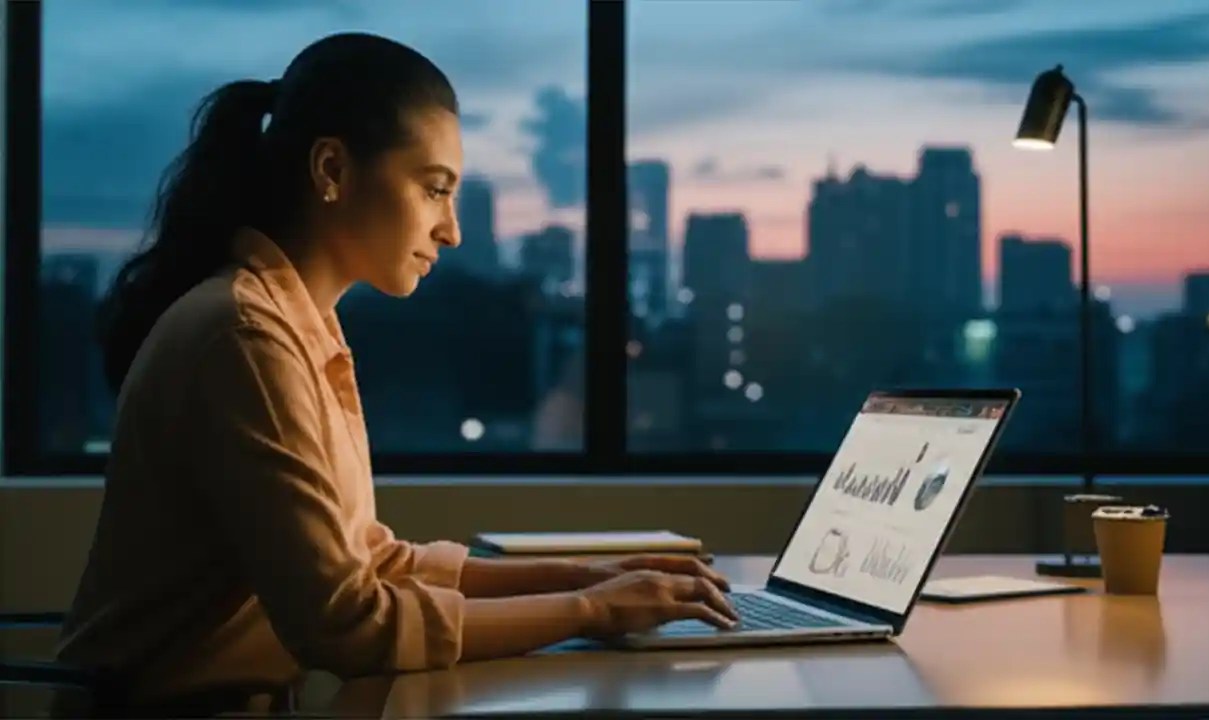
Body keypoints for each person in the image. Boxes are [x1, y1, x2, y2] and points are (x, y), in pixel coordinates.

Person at [56, 32, 738, 713]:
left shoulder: (294, 324)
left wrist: (592, 578)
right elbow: (349, 624)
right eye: (434, 189)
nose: (452, 229)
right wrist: (591, 610)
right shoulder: (246, 337)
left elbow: (375, 564)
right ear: (331, 170)